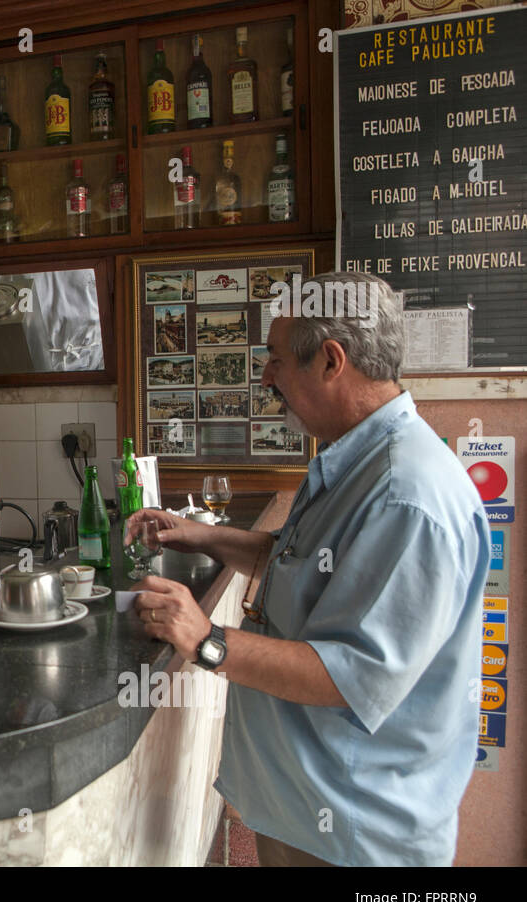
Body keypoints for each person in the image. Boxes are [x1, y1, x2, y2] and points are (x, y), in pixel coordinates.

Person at [125, 271, 490, 866]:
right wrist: (203, 537)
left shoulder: (406, 495)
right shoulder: (356, 461)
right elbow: (307, 566)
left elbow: (352, 678)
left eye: (274, 358)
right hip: (306, 812)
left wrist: (206, 639)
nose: (265, 376)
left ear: (330, 361)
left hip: (354, 832)